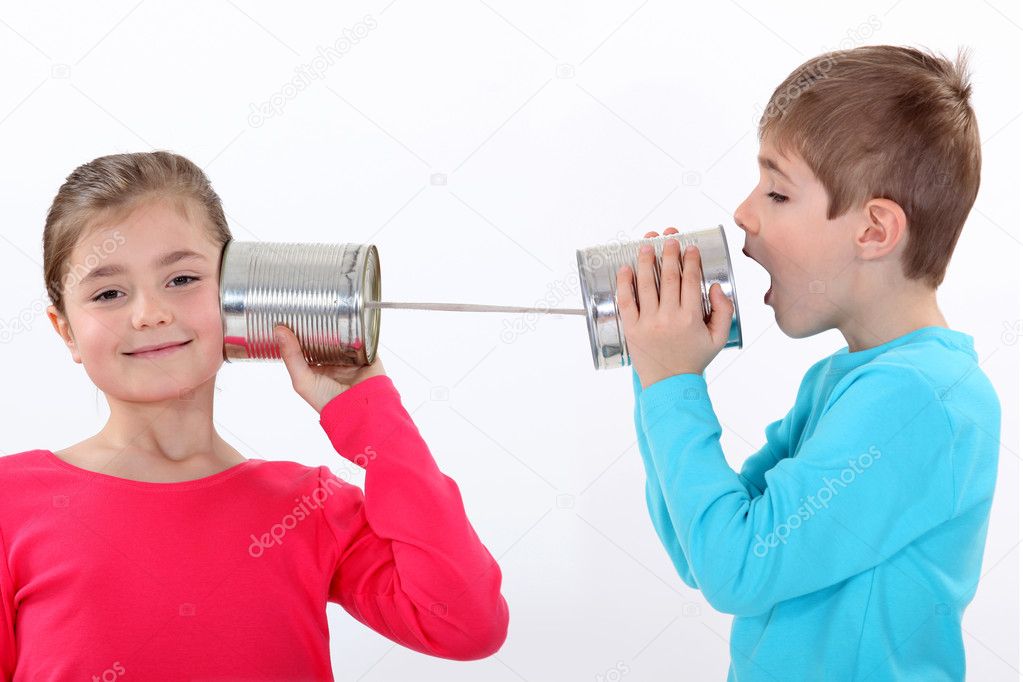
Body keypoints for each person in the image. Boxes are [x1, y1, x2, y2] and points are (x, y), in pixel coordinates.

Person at [0, 151, 508, 679]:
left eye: (181, 279)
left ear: (235, 292)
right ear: (67, 332)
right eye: (108, 292)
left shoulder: (310, 507)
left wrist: (371, 412)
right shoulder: (10, 503)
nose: (150, 313)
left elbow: (468, 624)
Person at [618, 45, 999, 681]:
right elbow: (701, 548)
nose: (743, 213)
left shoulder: (922, 399)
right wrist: (655, 371)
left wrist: (672, 384)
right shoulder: (842, 382)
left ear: (874, 231)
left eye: (777, 191)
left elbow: (736, 567)